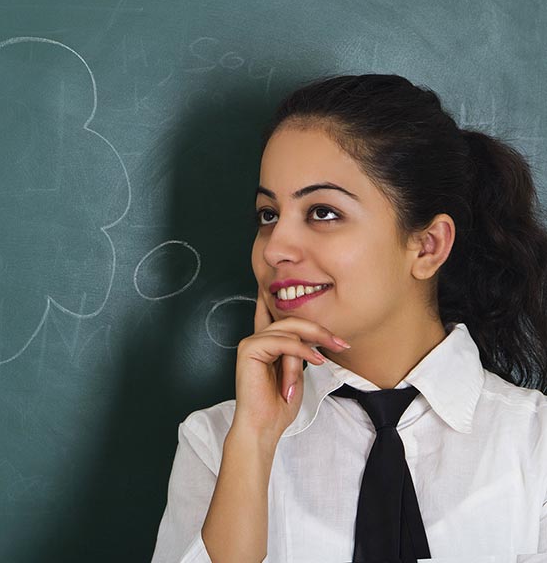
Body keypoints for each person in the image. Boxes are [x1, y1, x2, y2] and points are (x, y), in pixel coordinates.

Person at [150, 74, 547, 562]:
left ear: (427, 245)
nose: (275, 249)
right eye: (268, 215)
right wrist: (252, 442)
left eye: (322, 212)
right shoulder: (218, 442)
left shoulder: (533, 445)